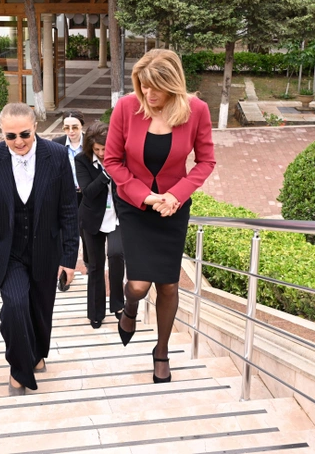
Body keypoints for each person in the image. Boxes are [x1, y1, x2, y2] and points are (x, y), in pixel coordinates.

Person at [104, 49, 215, 384]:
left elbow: (206, 161)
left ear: (173, 85)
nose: (147, 95)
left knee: (168, 284)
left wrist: (176, 195)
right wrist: (145, 196)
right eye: (142, 86)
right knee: (137, 285)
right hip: (134, 204)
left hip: (172, 208)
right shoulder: (126, 107)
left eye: (155, 88)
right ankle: (131, 307)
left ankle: (161, 351)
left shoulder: (197, 110)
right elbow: (112, 161)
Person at [0, 102, 79, 396]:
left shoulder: (56, 155)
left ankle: (36, 352)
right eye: (10, 136)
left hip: (47, 250)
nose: (18, 142)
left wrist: (69, 259)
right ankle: (19, 370)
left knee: (41, 312)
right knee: (15, 306)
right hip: (8, 253)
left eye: (24, 134)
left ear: (35, 128)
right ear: (2, 133)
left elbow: (69, 210)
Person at [75, 121, 124, 329]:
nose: (102, 153)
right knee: (95, 266)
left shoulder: (123, 158)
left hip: (118, 217)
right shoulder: (81, 160)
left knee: (116, 255)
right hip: (92, 219)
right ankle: (96, 313)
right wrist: (106, 173)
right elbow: (87, 191)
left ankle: (118, 307)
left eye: (105, 148)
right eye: (97, 150)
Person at [53, 109, 89, 279]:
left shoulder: (90, 143)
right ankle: (65, 273)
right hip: (65, 196)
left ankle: (90, 266)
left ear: (82, 126)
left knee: (87, 232)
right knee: (65, 234)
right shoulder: (57, 144)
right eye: (66, 128)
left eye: (75, 127)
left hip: (87, 195)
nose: (71, 132)